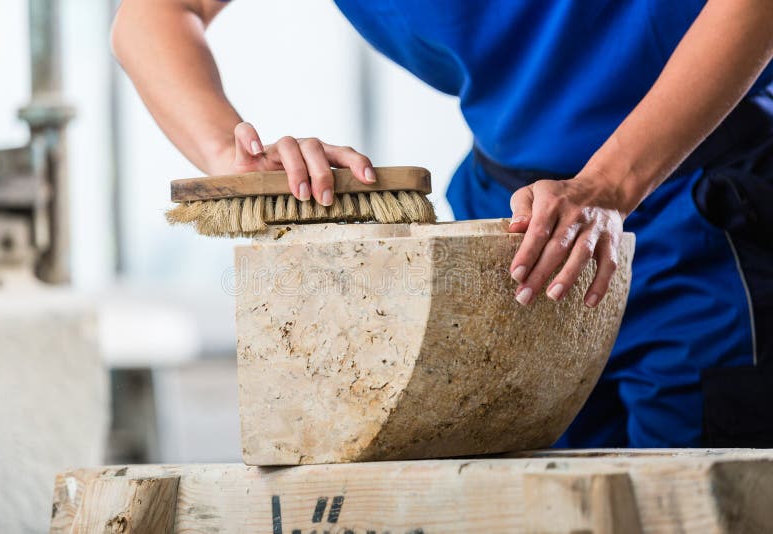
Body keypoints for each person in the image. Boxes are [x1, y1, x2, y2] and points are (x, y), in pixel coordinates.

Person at [111, 0, 773, 447]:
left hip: (705, 214)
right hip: (511, 231)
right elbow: (154, 15)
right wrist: (233, 154)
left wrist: (611, 182)